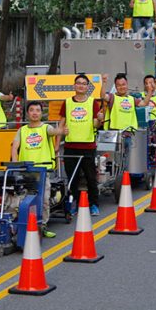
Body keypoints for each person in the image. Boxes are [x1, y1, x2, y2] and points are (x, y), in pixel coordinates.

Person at [11, 101, 67, 238]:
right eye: (32, 110)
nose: (35, 113)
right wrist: (14, 162)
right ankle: (19, 223)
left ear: (42, 113)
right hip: (26, 170)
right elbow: (14, 146)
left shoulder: (45, 128)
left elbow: (53, 131)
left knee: (44, 199)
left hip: (43, 170)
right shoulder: (22, 130)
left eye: (38, 110)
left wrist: (60, 131)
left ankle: (42, 226)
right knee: (21, 197)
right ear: (27, 113)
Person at [57, 74, 105, 217]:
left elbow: (95, 124)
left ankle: (94, 204)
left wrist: (100, 120)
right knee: (73, 178)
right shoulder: (67, 102)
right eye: (79, 83)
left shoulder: (92, 103)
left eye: (84, 84)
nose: (81, 86)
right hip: (71, 146)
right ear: (74, 85)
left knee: (91, 178)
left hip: (88, 146)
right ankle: (75, 204)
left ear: (87, 87)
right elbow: (61, 124)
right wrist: (56, 144)